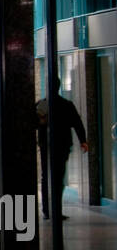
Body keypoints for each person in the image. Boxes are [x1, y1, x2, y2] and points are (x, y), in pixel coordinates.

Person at [36, 78, 88, 220]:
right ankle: (56, 210)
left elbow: (34, 124)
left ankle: (47, 209)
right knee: (58, 178)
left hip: (46, 145)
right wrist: (83, 140)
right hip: (62, 145)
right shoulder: (67, 105)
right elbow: (77, 123)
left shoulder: (41, 104)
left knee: (45, 177)